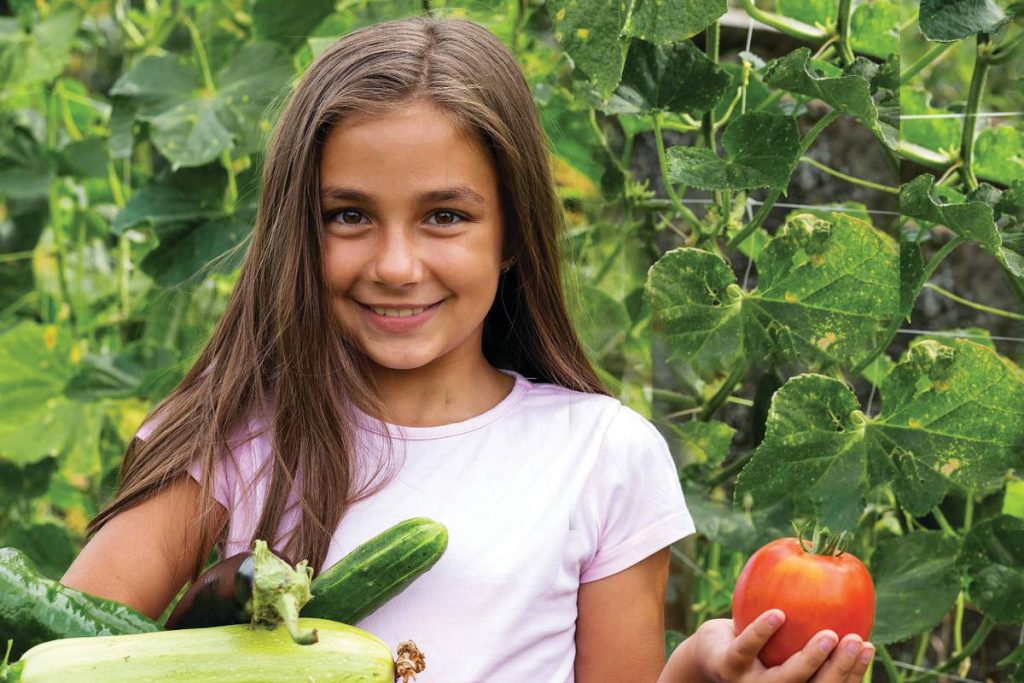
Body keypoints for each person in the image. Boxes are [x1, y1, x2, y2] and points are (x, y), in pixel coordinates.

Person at [60, 14, 874, 683]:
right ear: (296, 233)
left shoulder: (601, 454)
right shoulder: (228, 439)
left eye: (445, 216)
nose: (396, 264)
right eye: (348, 215)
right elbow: (64, 653)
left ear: (514, 232)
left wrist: (693, 672)